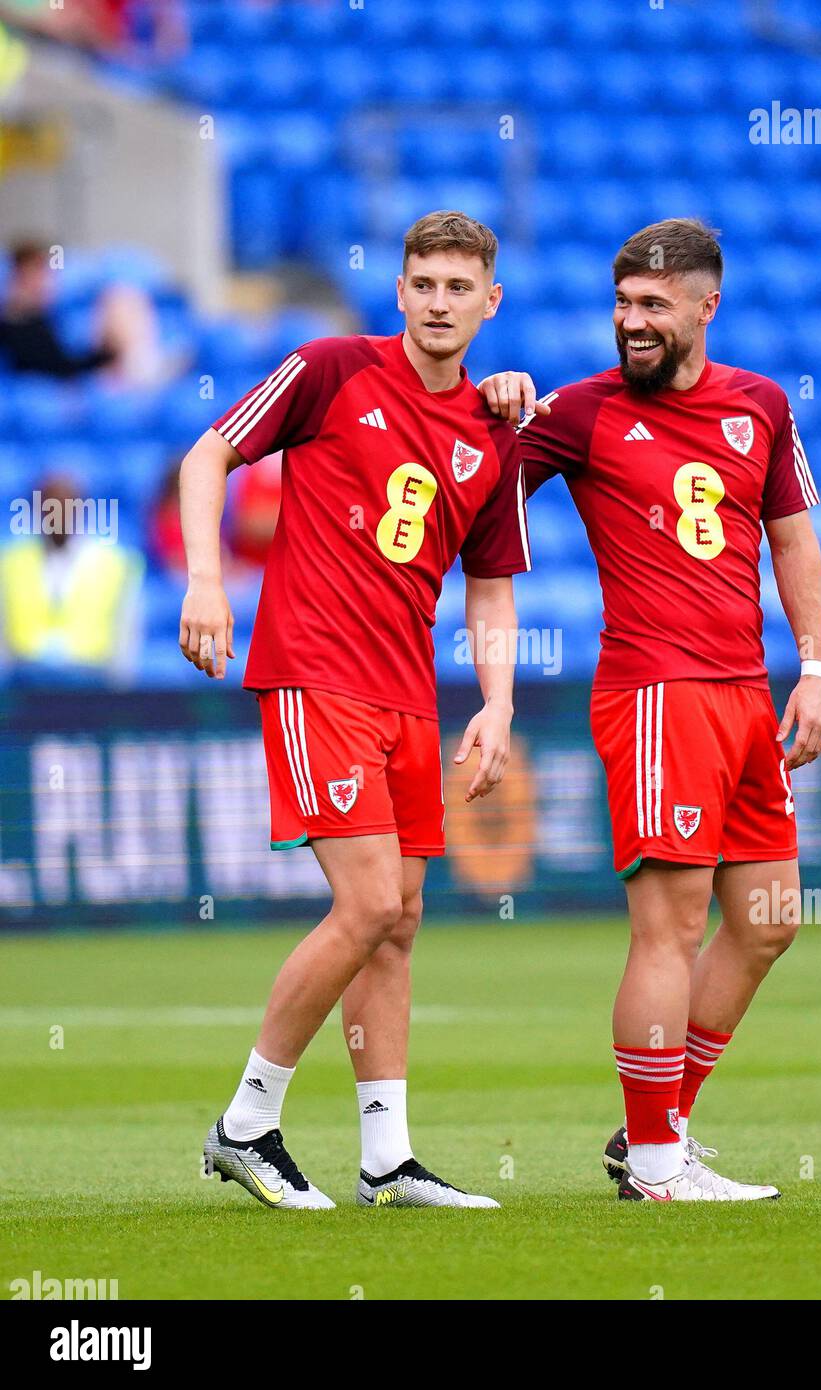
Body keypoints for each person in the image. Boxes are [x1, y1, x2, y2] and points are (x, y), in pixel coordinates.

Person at [177, 211, 530, 1210]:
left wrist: (497, 702)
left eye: (458, 288)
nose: (438, 302)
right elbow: (207, 457)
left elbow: (490, 588)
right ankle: (246, 1124)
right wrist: (206, 580)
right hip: (314, 671)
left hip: (406, 692)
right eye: (423, 283)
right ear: (399, 289)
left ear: (490, 301)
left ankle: (387, 1159)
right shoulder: (333, 369)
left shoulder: (493, 432)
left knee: (399, 921)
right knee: (370, 903)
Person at [478, 219, 821, 1201]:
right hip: (654, 694)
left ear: (706, 307)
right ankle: (656, 1162)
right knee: (669, 927)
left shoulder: (760, 405)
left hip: (745, 692)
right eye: (622, 303)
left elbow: (793, 541)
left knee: (767, 919)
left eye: (652, 306)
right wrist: (489, 404)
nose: (631, 322)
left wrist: (815, 668)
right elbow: (472, 479)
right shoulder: (578, 412)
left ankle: (654, 1130)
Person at [0, 471, 143, 683]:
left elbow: (125, 637)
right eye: (49, 507)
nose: (57, 515)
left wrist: (118, 690)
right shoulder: (10, 561)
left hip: (91, 680)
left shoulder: (115, 564)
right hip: (25, 680)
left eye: (66, 507)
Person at [0, 239, 169, 384]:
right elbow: (55, 368)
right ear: (20, 277)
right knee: (119, 301)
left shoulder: (40, 316)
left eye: (46, 274)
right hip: (58, 383)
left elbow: (61, 363)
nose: (44, 283)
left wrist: (103, 354)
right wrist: (105, 356)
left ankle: (142, 364)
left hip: (75, 373)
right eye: (37, 274)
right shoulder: (16, 319)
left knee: (121, 297)